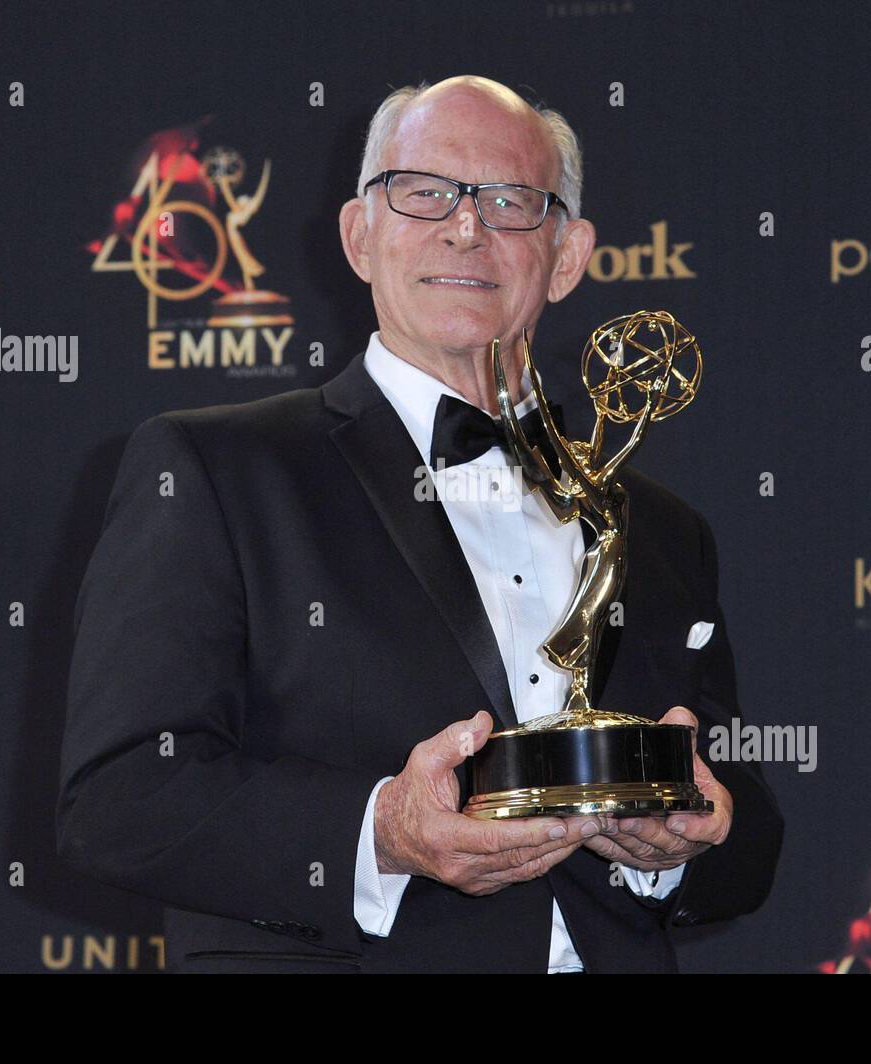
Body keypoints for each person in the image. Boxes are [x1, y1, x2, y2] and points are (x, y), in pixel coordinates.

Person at [56, 75, 783, 973]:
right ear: (360, 236)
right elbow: (121, 799)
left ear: (567, 254)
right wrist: (382, 834)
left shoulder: (662, 529)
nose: (466, 228)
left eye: (513, 201)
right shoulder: (216, 472)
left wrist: (686, 844)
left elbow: (747, 836)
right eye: (424, 192)